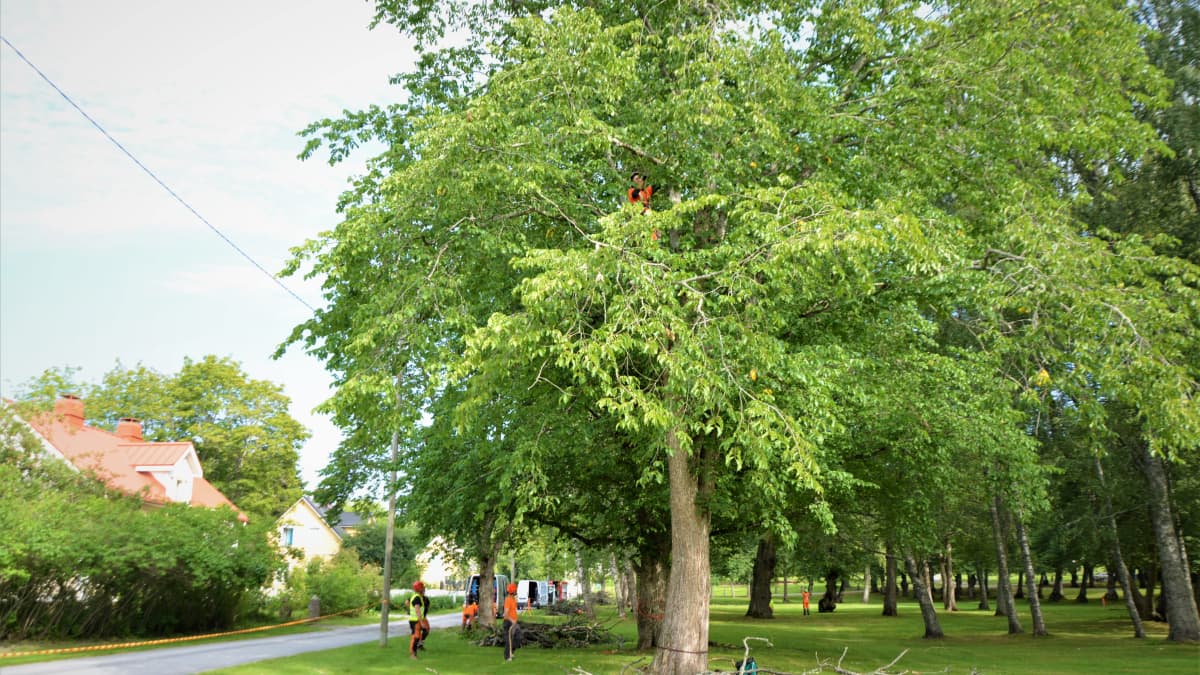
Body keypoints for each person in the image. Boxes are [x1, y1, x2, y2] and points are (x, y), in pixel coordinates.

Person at [408, 581, 430, 659]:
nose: (424, 588)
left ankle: (414, 653)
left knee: (417, 636)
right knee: (416, 637)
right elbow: (417, 610)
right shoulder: (417, 598)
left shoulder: (418, 596)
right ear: (420, 589)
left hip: (416, 620)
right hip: (415, 620)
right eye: (423, 587)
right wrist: (421, 622)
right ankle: (412, 654)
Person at [502, 582, 521, 662]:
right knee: (509, 640)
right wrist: (512, 620)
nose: (516, 591)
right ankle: (507, 657)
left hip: (514, 622)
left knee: (517, 638)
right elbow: (506, 614)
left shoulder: (513, 599)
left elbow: (513, 611)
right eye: (515, 590)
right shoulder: (508, 600)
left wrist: (515, 619)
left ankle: (511, 652)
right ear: (512, 591)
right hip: (508, 623)